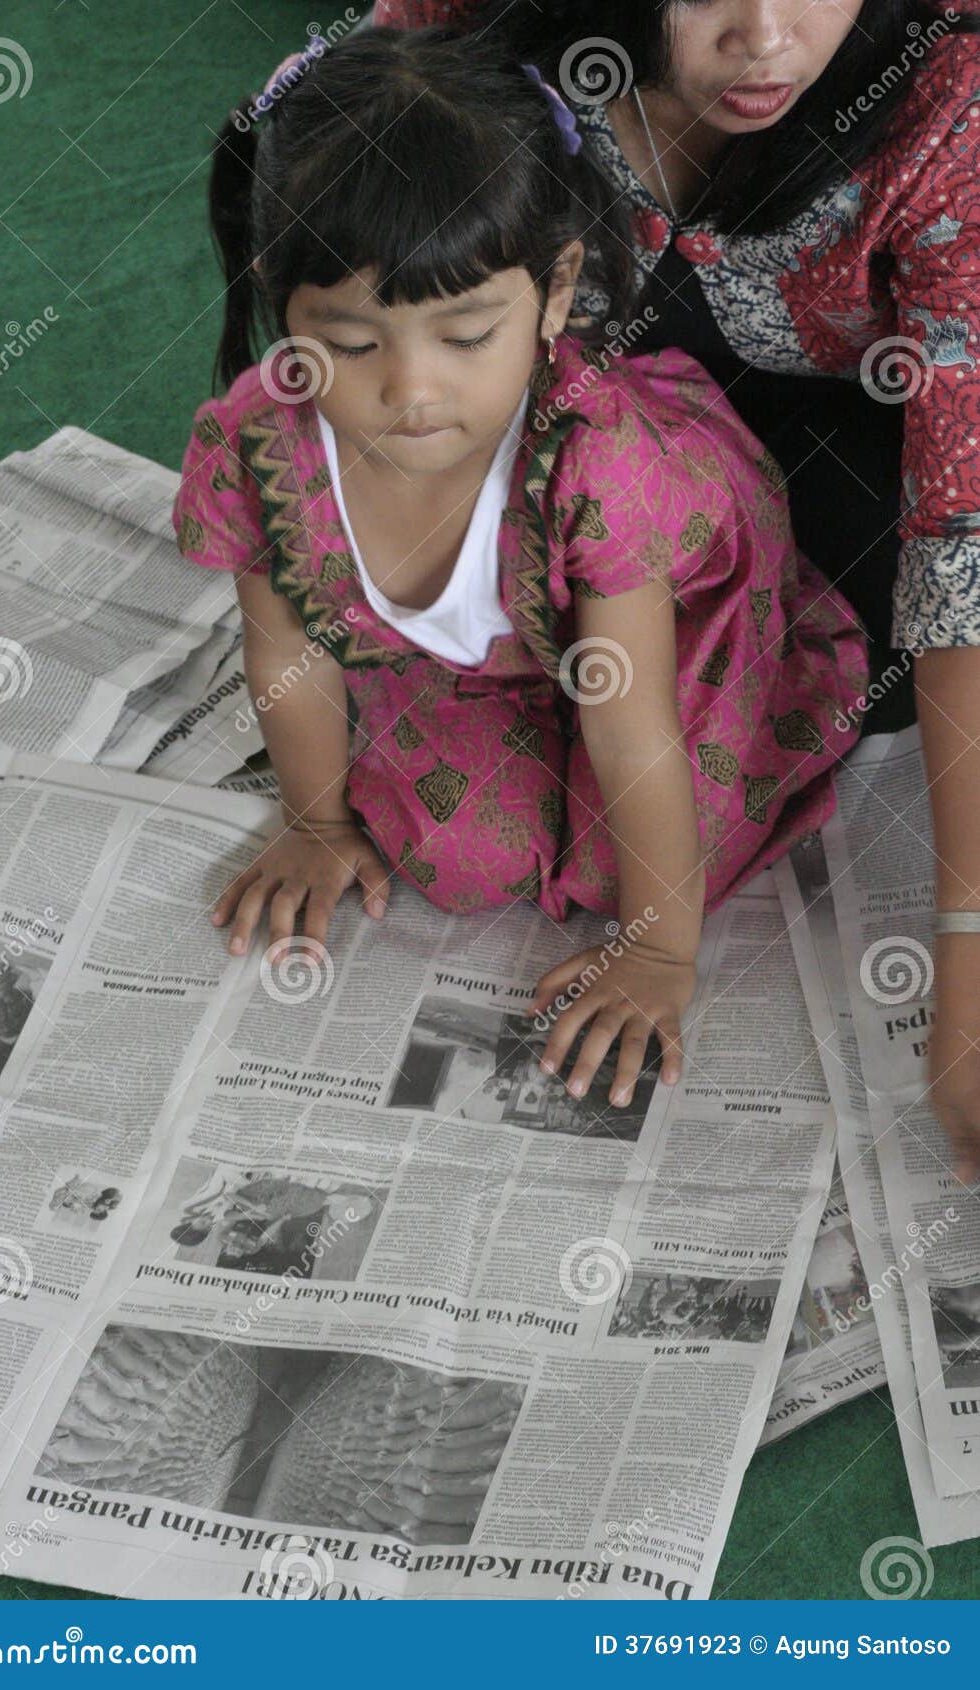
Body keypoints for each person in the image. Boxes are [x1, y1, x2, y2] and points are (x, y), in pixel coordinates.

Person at [172, 25, 869, 1109]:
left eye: (464, 336)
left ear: (552, 295)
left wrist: (657, 954)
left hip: (672, 641)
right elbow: (287, 655)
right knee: (454, 856)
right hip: (513, 659)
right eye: (353, 343)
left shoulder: (600, 467)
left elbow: (629, 723)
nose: (411, 393)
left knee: (616, 872)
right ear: (283, 301)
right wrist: (313, 823)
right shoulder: (257, 450)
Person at [371, 1, 980, 1172]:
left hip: (850, 449)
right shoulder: (468, 25)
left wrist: (966, 944)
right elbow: (322, 194)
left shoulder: (944, 93)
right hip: (564, 421)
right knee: (470, 821)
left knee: (837, 704)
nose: (761, 39)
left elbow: (962, 526)